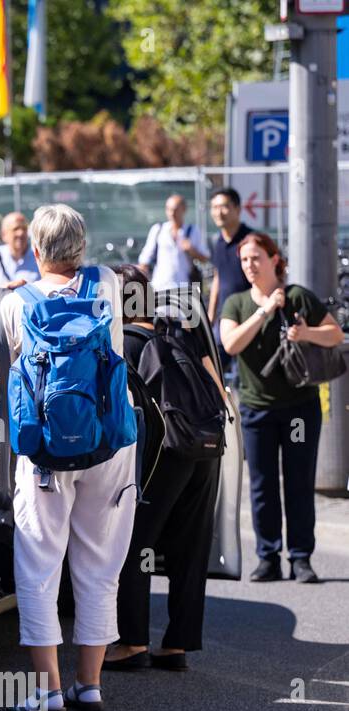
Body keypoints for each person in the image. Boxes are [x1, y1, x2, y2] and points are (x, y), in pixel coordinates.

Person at [0, 204, 137, 711]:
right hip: (108, 445)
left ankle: (46, 692)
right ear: (83, 247)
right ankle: (88, 685)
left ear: (35, 249)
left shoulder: (12, 304)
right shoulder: (109, 284)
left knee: (39, 566)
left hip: (43, 450)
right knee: (99, 565)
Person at [108, 265, 227, 672]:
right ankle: (177, 644)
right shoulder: (174, 335)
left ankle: (132, 642)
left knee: (134, 543)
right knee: (189, 548)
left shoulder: (123, 342)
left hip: (163, 456)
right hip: (204, 451)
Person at [220, 232, 342, 584]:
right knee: (261, 486)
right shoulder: (237, 302)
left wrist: (306, 335)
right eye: (244, 260)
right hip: (257, 410)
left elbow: (334, 335)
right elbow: (230, 344)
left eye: (256, 258)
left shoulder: (298, 296)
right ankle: (268, 557)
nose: (249, 265)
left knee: (299, 483)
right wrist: (264, 310)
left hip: (298, 410)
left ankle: (301, 558)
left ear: (274, 259)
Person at [206, 187, 253, 378]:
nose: (219, 212)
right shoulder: (217, 242)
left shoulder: (250, 241)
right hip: (223, 319)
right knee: (213, 371)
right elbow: (218, 277)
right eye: (215, 207)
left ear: (238, 209)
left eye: (224, 206)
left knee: (246, 374)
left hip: (248, 318)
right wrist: (210, 314)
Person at [138, 194, 209, 292]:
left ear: (184, 209)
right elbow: (144, 260)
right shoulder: (158, 229)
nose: (172, 213)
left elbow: (205, 258)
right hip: (159, 286)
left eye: (175, 210)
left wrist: (192, 250)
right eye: (169, 209)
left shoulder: (193, 230)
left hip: (184, 287)